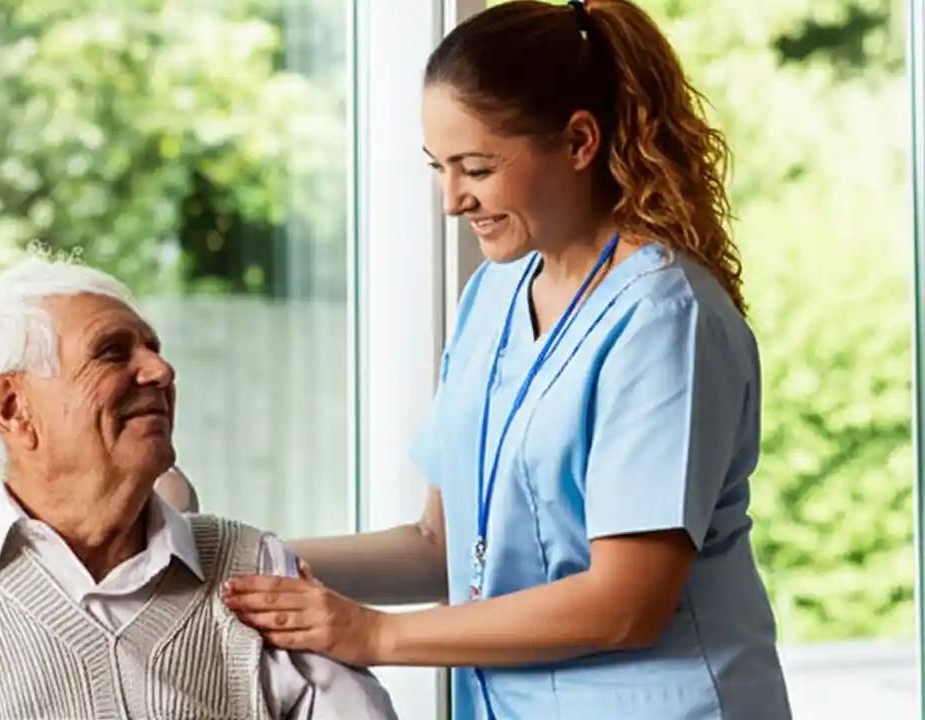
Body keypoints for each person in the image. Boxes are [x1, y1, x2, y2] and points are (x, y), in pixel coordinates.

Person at [221, 1, 792, 718]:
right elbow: (440, 546)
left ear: (580, 141)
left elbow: (626, 605)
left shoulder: (664, 320)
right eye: (439, 168)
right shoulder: (493, 292)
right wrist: (237, 563)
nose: (452, 202)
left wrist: (375, 634)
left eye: (477, 168)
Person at [0, 258, 398, 719]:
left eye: (153, 347)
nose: (160, 371)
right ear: (13, 408)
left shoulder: (259, 569)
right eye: (112, 352)